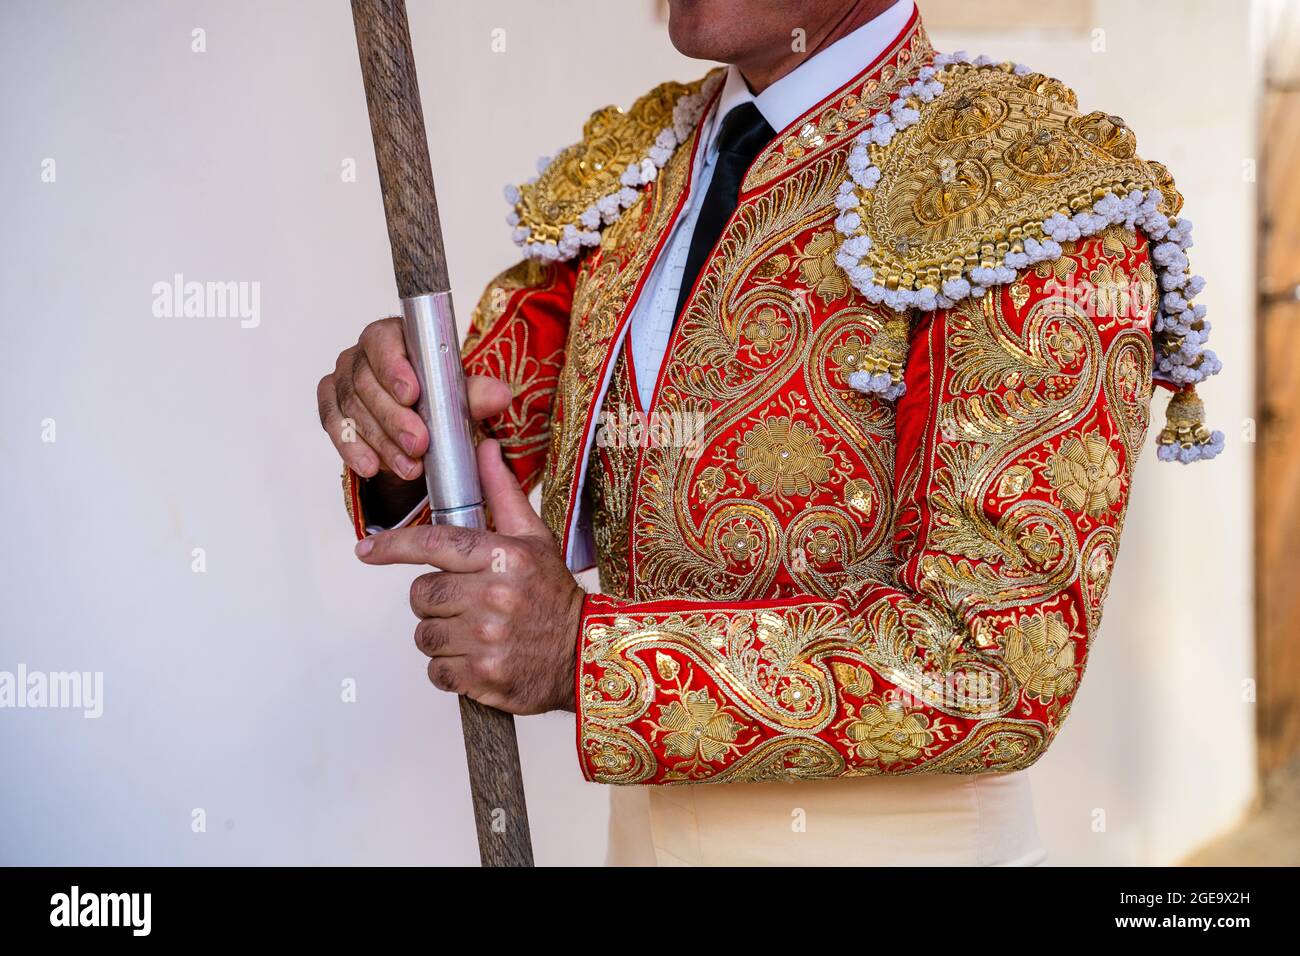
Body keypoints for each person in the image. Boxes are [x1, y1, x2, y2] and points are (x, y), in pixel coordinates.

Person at [316, 0, 1222, 865]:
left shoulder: (1028, 193)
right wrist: (398, 417)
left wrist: (581, 655)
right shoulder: (638, 171)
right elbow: (474, 443)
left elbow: (998, 665)